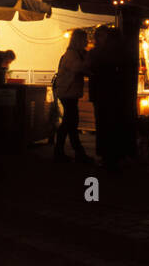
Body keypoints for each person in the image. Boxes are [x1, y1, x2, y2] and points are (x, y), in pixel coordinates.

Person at [53, 30, 92, 162]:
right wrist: (88, 59)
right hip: (68, 92)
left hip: (68, 92)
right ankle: (70, 152)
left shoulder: (74, 54)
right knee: (70, 122)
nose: (87, 42)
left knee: (70, 122)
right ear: (79, 40)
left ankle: (67, 152)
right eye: (85, 39)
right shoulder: (72, 55)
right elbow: (79, 68)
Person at [89, 27, 125, 168]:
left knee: (103, 124)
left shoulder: (96, 53)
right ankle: (112, 155)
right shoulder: (116, 53)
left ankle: (105, 155)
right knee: (111, 124)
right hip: (111, 93)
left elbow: (90, 69)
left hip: (100, 93)